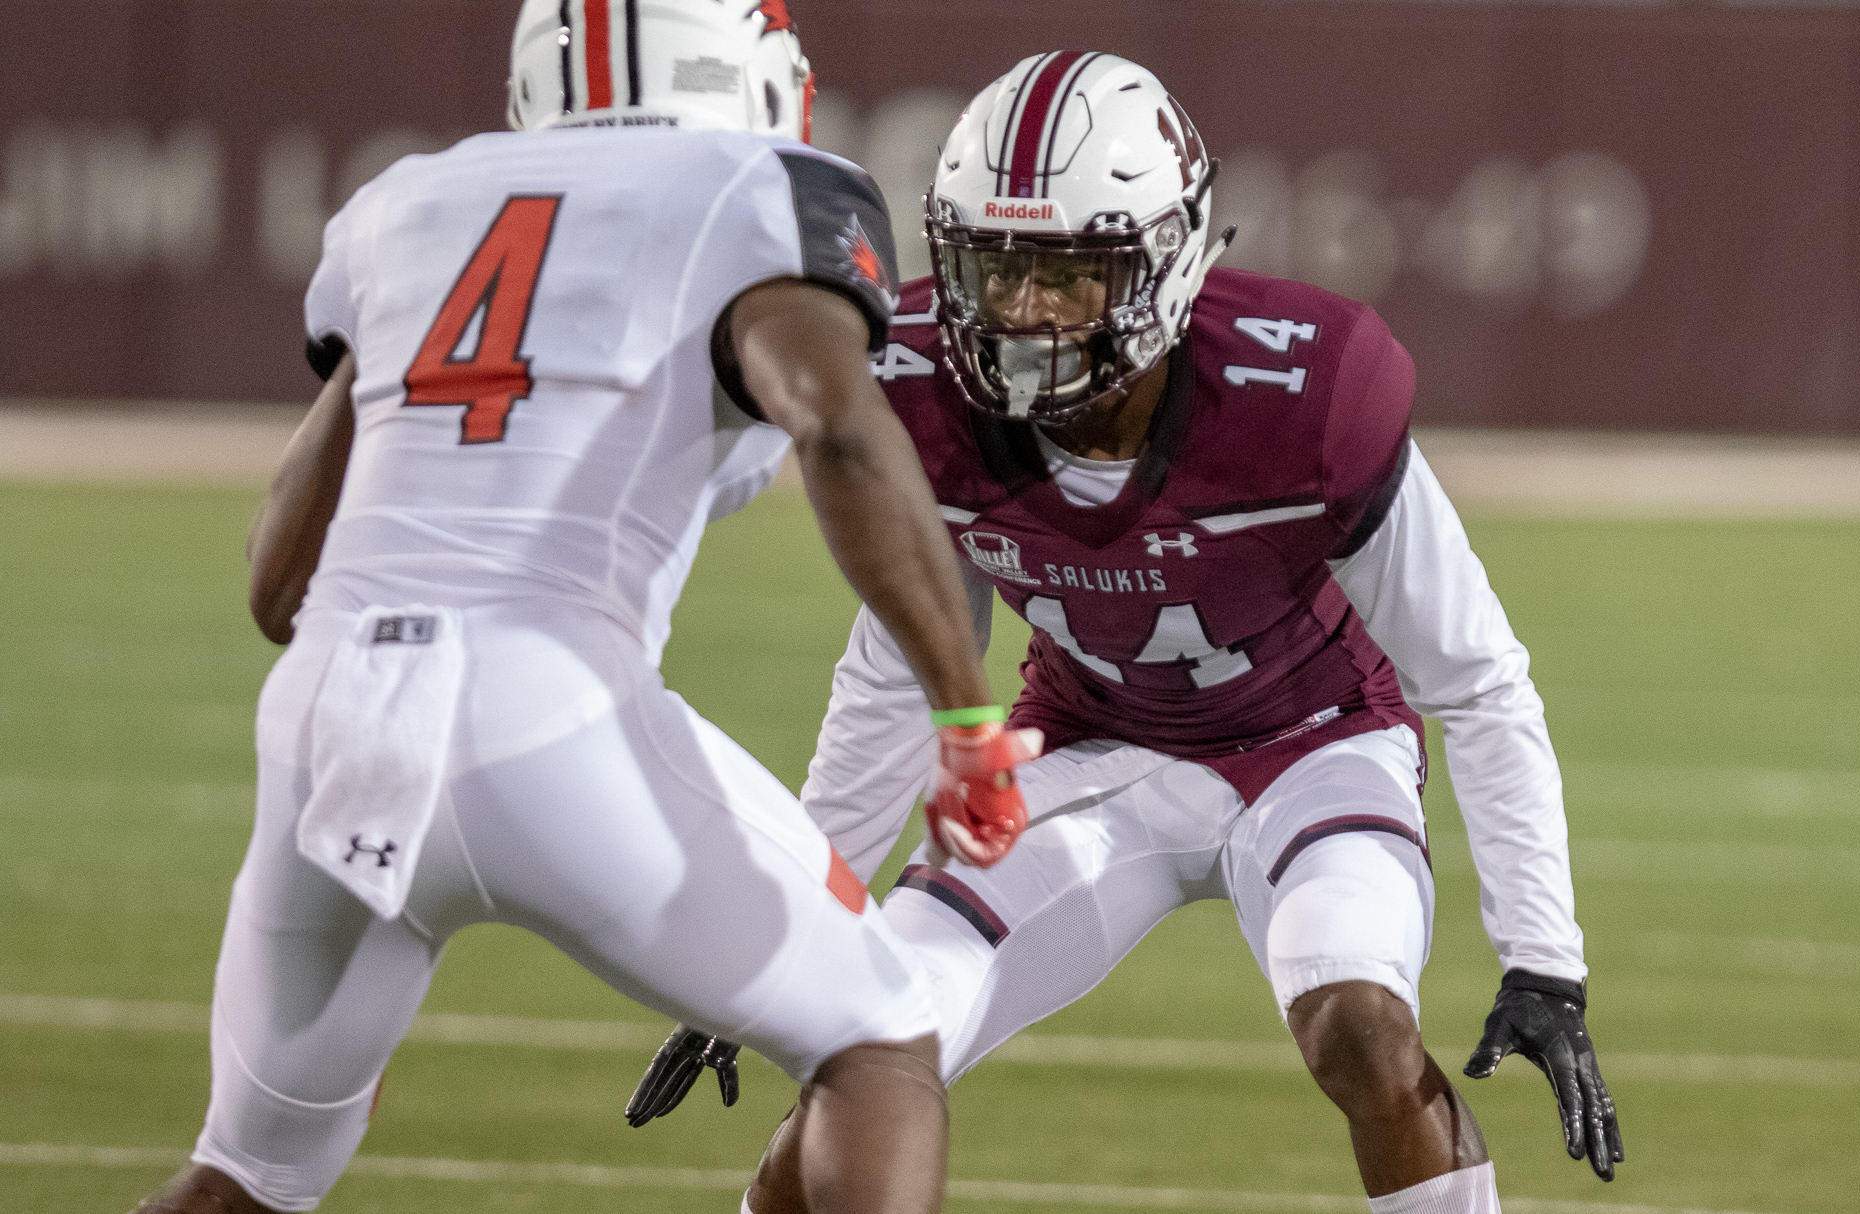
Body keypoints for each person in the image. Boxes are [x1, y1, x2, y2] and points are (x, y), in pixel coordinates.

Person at [626, 51, 1623, 1214]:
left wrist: (1542, 956)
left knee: (1359, 1026)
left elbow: (1478, 681)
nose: (1022, 312)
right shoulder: (913, 390)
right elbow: (893, 678)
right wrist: (788, 937)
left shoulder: (1304, 392)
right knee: (860, 1038)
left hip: (1313, 742)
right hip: (1088, 748)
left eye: (1066, 273)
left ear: (1167, 259)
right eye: (993, 270)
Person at [128, 4, 1045, 1213]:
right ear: (752, 73)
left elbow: (276, 586)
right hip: (548, 706)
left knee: (244, 1176)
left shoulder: (406, 201)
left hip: (333, 718)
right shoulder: (755, 188)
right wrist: (967, 714)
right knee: (878, 1036)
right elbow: (838, 431)